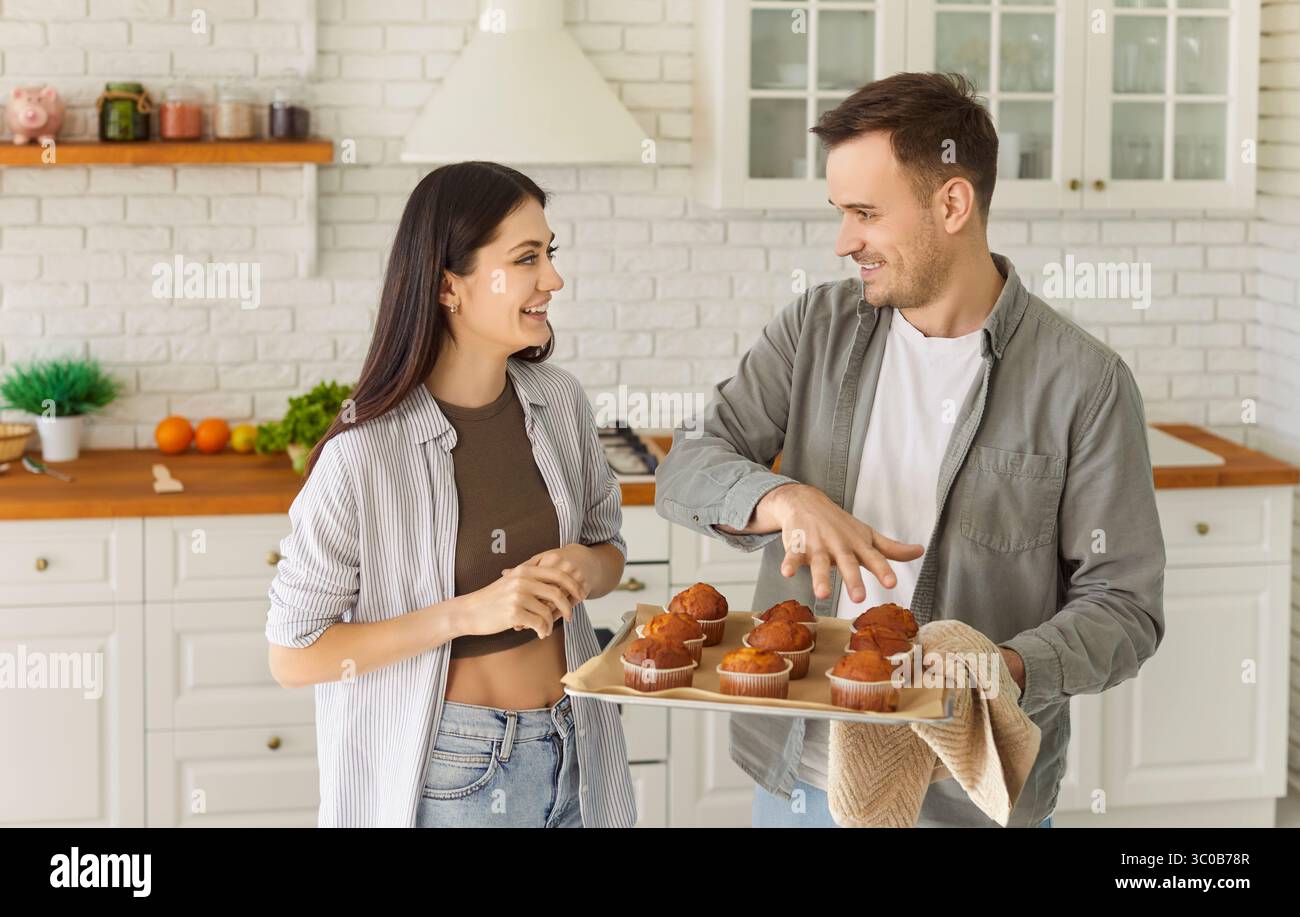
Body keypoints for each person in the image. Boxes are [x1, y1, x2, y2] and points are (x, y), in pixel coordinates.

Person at [654, 72, 1166, 828]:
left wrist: (1001, 669)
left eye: (865, 213)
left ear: (951, 203)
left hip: (967, 794)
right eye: (841, 213)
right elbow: (688, 467)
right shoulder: (815, 330)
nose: (844, 241)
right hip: (802, 778)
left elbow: (1125, 607)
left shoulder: (1084, 383)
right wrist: (782, 497)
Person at [266, 161, 636, 828]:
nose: (553, 278)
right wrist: (466, 613)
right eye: (527, 258)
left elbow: (609, 546)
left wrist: (588, 565)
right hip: (454, 771)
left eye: (549, 253)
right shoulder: (362, 454)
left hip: (577, 741)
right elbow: (294, 656)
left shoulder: (559, 402)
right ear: (447, 286)